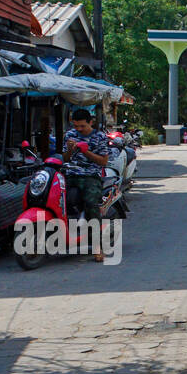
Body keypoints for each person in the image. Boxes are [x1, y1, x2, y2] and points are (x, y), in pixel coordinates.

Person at [62, 108, 110, 262]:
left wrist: (86, 151)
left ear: (91, 122)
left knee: (91, 204)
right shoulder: (70, 135)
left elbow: (103, 161)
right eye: (76, 126)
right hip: (70, 174)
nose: (79, 129)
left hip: (90, 175)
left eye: (82, 126)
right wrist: (69, 150)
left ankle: (97, 246)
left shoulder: (99, 137)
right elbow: (65, 159)